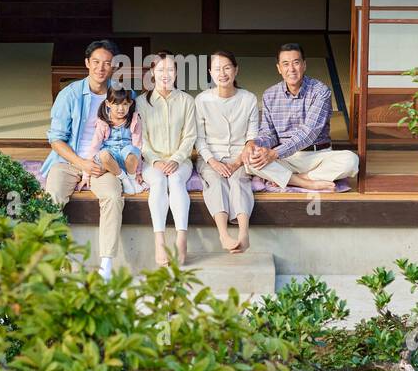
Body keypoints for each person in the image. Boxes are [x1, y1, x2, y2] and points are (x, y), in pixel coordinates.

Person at [41, 39, 131, 278]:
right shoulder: (69, 94)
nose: (101, 68)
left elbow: (129, 135)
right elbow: (56, 139)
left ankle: (106, 266)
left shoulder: (122, 95)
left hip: (104, 163)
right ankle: (55, 262)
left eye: (107, 63)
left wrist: (98, 165)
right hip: (69, 160)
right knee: (52, 198)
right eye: (96, 62)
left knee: (113, 196)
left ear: (114, 67)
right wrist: (81, 165)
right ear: (87, 64)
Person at [247, 42, 359, 191]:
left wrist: (274, 153)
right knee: (249, 161)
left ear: (304, 65)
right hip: (285, 159)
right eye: (285, 64)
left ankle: (292, 178)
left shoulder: (320, 92)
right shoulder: (270, 94)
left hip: (317, 156)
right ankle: (306, 182)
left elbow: (309, 133)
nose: (291, 69)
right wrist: (255, 144)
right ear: (279, 68)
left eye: (296, 63)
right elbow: (269, 134)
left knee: (351, 160)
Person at [135, 51, 197, 266]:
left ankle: (181, 238)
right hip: (152, 161)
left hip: (181, 161)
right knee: (159, 181)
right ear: (152, 72)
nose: (165, 74)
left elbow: (190, 136)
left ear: (177, 72)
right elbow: (140, 139)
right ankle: (159, 240)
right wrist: (155, 161)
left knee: (176, 180)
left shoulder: (187, 101)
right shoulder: (142, 102)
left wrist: (177, 159)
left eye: (170, 69)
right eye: (160, 69)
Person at [194, 50, 259, 253]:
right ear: (210, 73)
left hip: (241, 157)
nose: (222, 73)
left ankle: (243, 233)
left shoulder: (249, 99)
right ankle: (223, 234)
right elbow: (199, 139)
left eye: (227, 67)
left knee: (239, 180)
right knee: (215, 180)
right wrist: (213, 162)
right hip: (210, 157)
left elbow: (251, 137)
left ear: (236, 69)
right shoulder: (202, 100)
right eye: (217, 69)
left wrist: (237, 162)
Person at [87, 85, 144, 196]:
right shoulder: (103, 122)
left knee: (132, 151)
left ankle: (131, 178)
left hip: (126, 158)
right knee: (103, 155)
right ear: (108, 104)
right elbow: (94, 146)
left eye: (125, 104)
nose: (121, 109)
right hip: (110, 158)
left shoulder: (134, 120)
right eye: (116, 104)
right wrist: (86, 174)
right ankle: (124, 179)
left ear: (130, 103)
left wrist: (138, 172)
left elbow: (138, 145)